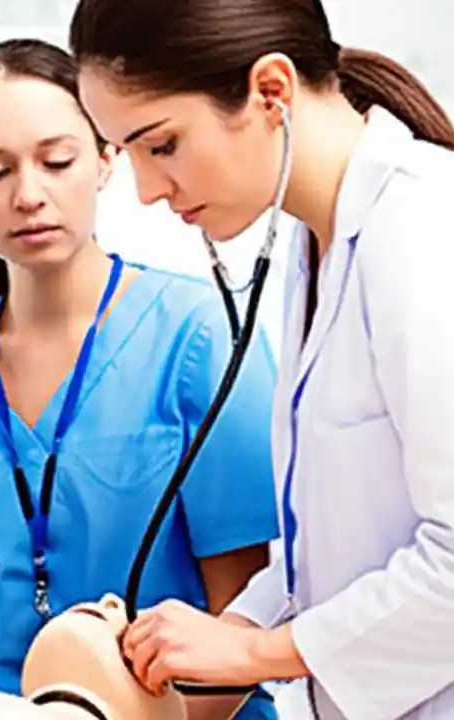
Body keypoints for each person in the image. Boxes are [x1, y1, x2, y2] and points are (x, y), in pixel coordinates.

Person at [67, 1, 454, 718]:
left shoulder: (422, 226)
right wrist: (224, 632)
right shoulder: (317, 246)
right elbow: (336, 549)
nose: (149, 191)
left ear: (271, 91)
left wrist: (254, 655)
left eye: (161, 145)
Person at [0, 39, 281, 720]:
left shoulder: (198, 335)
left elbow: (247, 604)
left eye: (57, 161)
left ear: (106, 158)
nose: (28, 195)